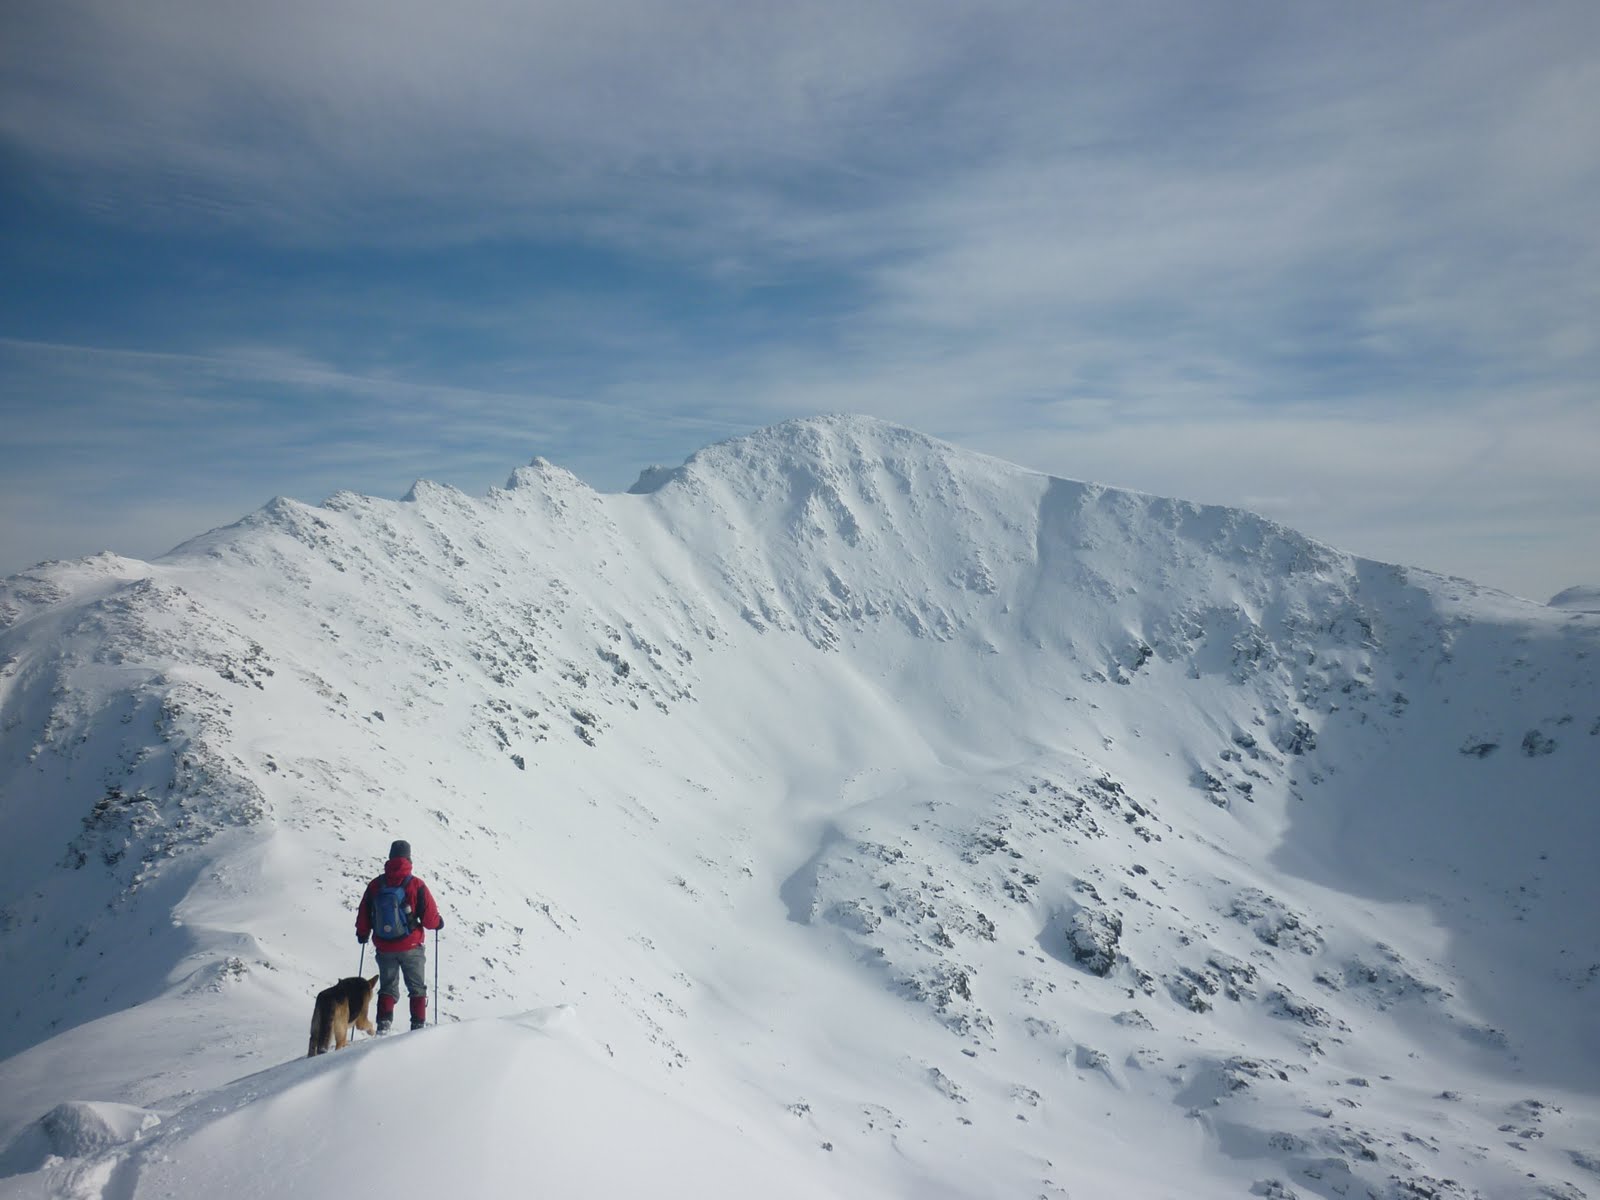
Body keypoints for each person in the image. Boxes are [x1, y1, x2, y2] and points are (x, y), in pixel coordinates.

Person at [355, 839, 444, 1032]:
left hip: (385, 946)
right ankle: (417, 1027)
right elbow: (429, 919)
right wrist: (439, 923)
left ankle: (383, 1026)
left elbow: (364, 914)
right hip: (411, 945)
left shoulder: (376, 885)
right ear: (408, 858)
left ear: (390, 858)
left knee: (387, 987)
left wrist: (362, 934)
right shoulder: (416, 884)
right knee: (417, 988)